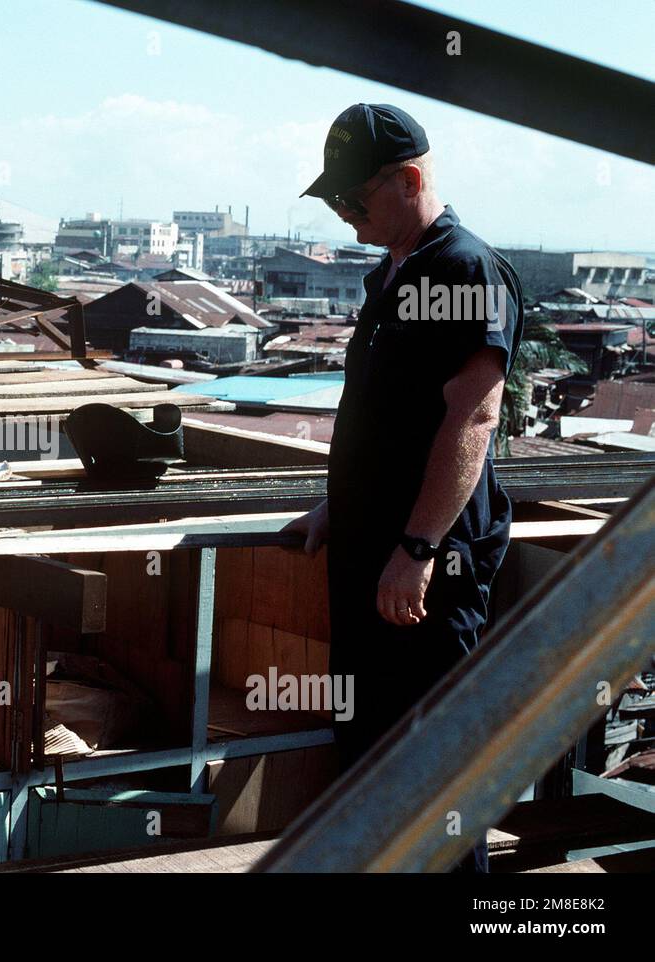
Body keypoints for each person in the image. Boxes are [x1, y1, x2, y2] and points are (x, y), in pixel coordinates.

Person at [283, 104, 523, 873]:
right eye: (334, 203)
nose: (345, 216)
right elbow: (389, 418)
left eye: (354, 199)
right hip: (371, 555)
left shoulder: (463, 269)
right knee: (368, 760)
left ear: (408, 179)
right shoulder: (393, 274)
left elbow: (473, 417)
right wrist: (340, 503)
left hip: (423, 572)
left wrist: (419, 547)